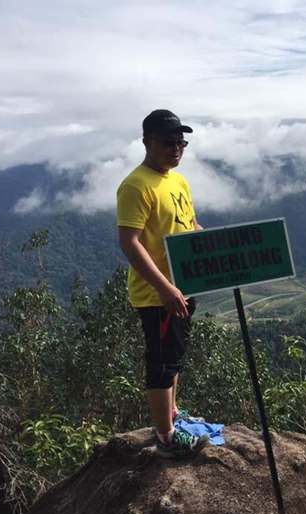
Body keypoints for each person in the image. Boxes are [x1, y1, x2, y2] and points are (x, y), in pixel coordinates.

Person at [116, 109, 209, 458]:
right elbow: (129, 242)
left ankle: (171, 412)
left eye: (181, 142)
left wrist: (221, 246)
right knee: (161, 362)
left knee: (175, 356)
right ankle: (167, 436)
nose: (176, 149)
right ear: (147, 142)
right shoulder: (135, 185)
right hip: (159, 296)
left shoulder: (177, 181)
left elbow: (190, 224)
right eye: (168, 142)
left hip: (182, 286)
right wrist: (164, 289)